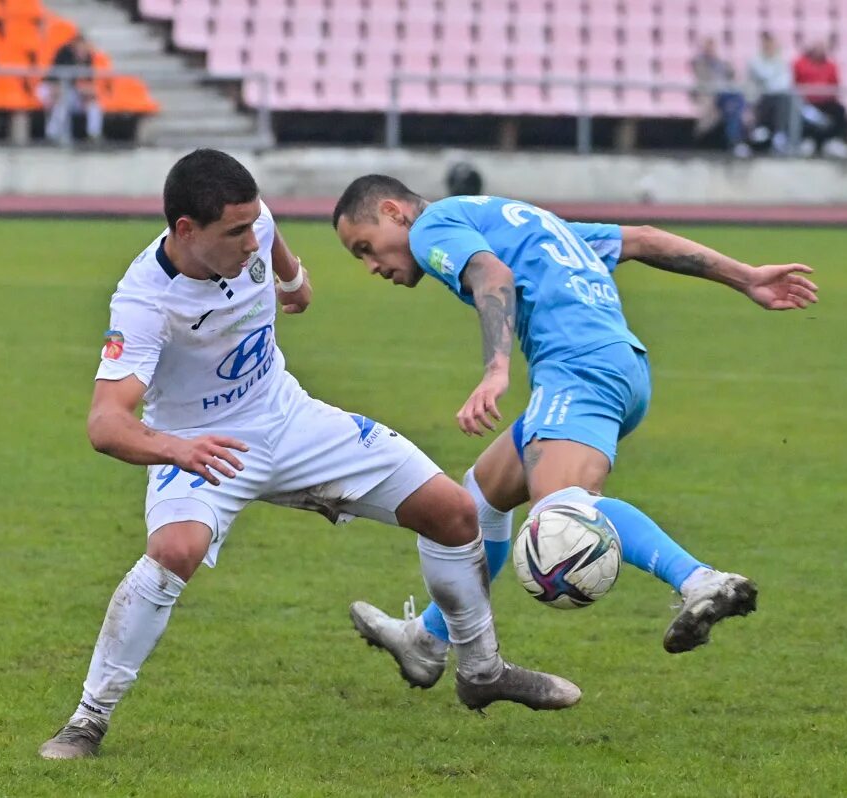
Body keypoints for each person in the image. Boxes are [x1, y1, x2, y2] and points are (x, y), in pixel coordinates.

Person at [37, 151, 580, 760]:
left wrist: (292, 281)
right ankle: (88, 721)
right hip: (202, 445)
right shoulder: (142, 303)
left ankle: (482, 673)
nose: (252, 237)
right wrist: (176, 448)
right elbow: (105, 423)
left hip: (290, 418)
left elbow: (271, 236)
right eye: (235, 232)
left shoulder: (253, 224)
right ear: (186, 231)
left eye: (253, 223)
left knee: (453, 512)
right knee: (174, 551)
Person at [331, 177, 818, 690]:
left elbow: (490, 274)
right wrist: (746, 278)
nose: (371, 266)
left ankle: (701, 581)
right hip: (617, 366)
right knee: (480, 502)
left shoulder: (432, 226)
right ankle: (427, 640)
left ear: (394, 212)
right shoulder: (518, 220)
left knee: (564, 509)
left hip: (578, 372)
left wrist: (496, 369)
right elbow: (645, 239)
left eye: (366, 247)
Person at [39, 33, 103, 146]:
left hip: (71, 92)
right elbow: (55, 82)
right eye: (81, 46)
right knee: (62, 105)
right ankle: (52, 136)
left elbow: (87, 83)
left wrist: (87, 94)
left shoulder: (87, 58)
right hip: (50, 88)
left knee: (94, 106)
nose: (83, 49)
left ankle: (93, 135)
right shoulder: (64, 54)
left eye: (85, 46)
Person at [691, 37, 750, 157]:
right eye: (708, 47)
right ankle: (737, 141)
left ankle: (734, 141)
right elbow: (705, 81)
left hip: (724, 96)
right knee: (734, 105)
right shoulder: (700, 63)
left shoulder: (720, 62)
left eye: (712, 47)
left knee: (734, 105)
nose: (710, 50)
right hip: (712, 95)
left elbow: (732, 75)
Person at [793, 41, 847, 159]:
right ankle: (806, 140)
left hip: (826, 102)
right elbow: (797, 83)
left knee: (840, 110)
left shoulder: (831, 66)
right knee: (803, 113)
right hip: (807, 102)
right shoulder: (801, 63)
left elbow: (834, 85)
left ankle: (834, 141)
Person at [747, 32, 795, 154]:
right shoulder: (755, 60)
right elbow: (764, 76)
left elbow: (785, 82)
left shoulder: (781, 60)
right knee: (774, 99)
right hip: (760, 97)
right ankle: (766, 131)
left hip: (778, 97)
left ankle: (779, 134)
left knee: (784, 100)